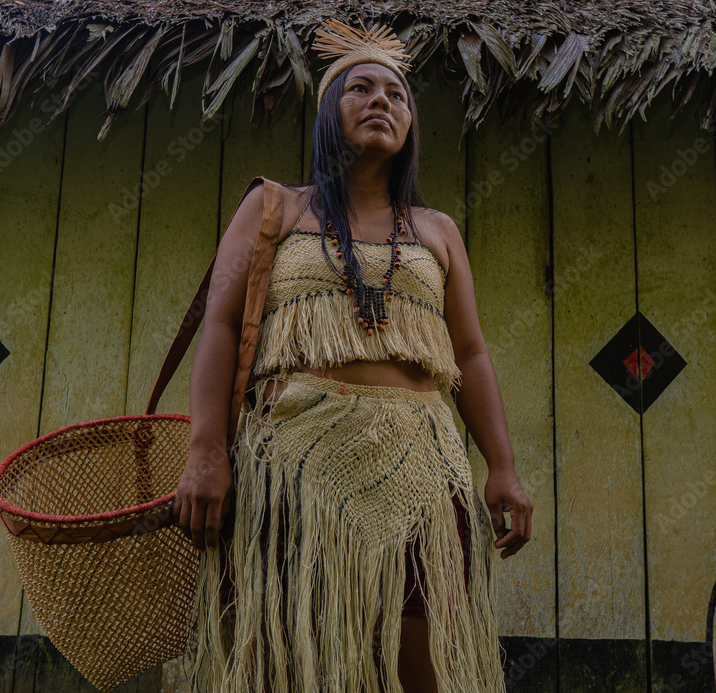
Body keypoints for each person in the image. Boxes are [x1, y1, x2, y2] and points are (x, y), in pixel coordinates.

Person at [173, 19, 533, 693]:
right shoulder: (273, 208)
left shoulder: (438, 232)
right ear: (327, 117)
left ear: (411, 125)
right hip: (296, 458)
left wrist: (503, 468)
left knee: (424, 658)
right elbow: (218, 327)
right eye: (359, 89)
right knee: (292, 651)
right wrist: (205, 448)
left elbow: (472, 354)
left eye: (396, 95)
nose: (380, 101)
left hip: (426, 459)